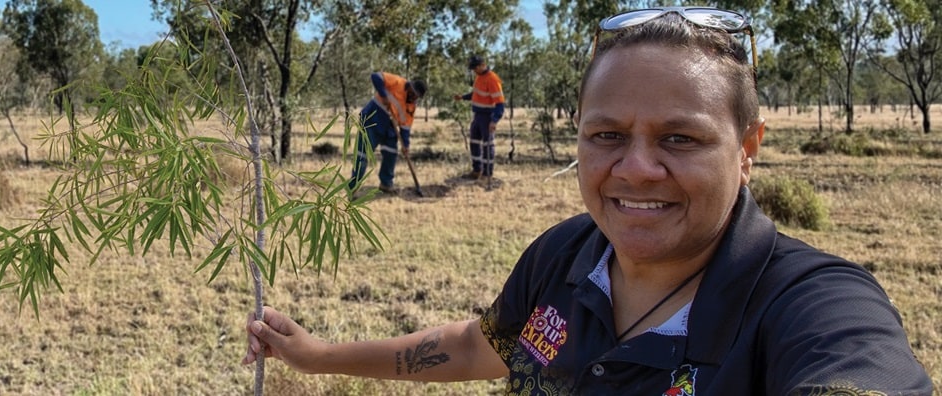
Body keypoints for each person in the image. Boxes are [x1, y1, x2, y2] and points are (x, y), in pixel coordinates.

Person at [243, 7, 935, 395]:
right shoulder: (565, 256)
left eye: (680, 138)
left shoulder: (811, 304)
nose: (636, 169)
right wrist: (318, 355)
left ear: (748, 146)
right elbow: (474, 346)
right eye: (606, 134)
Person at [348, 71, 427, 194]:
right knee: (363, 155)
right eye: (414, 94)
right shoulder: (398, 82)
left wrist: (405, 145)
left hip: (390, 127)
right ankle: (353, 187)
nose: (414, 97)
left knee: (391, 153)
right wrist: (383, 94)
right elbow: (375, 76)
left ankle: (386, 184)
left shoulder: (411, 107)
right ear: (410, 87)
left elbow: (405, 127)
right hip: (372, 120)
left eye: (417, 97)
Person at [454, 55, 505, 181]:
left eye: (475, 68)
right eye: (473, 69)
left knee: (488, 145)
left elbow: (500, 103)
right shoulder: (479, 77)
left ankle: (487, 174)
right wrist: (463, 97)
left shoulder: (492, 79)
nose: (474, 71)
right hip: (477, 115)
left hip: (487, 116)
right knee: (474, 143)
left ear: (483, 65)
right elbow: (476, 94)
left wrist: (494, 121)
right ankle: (477, 170)